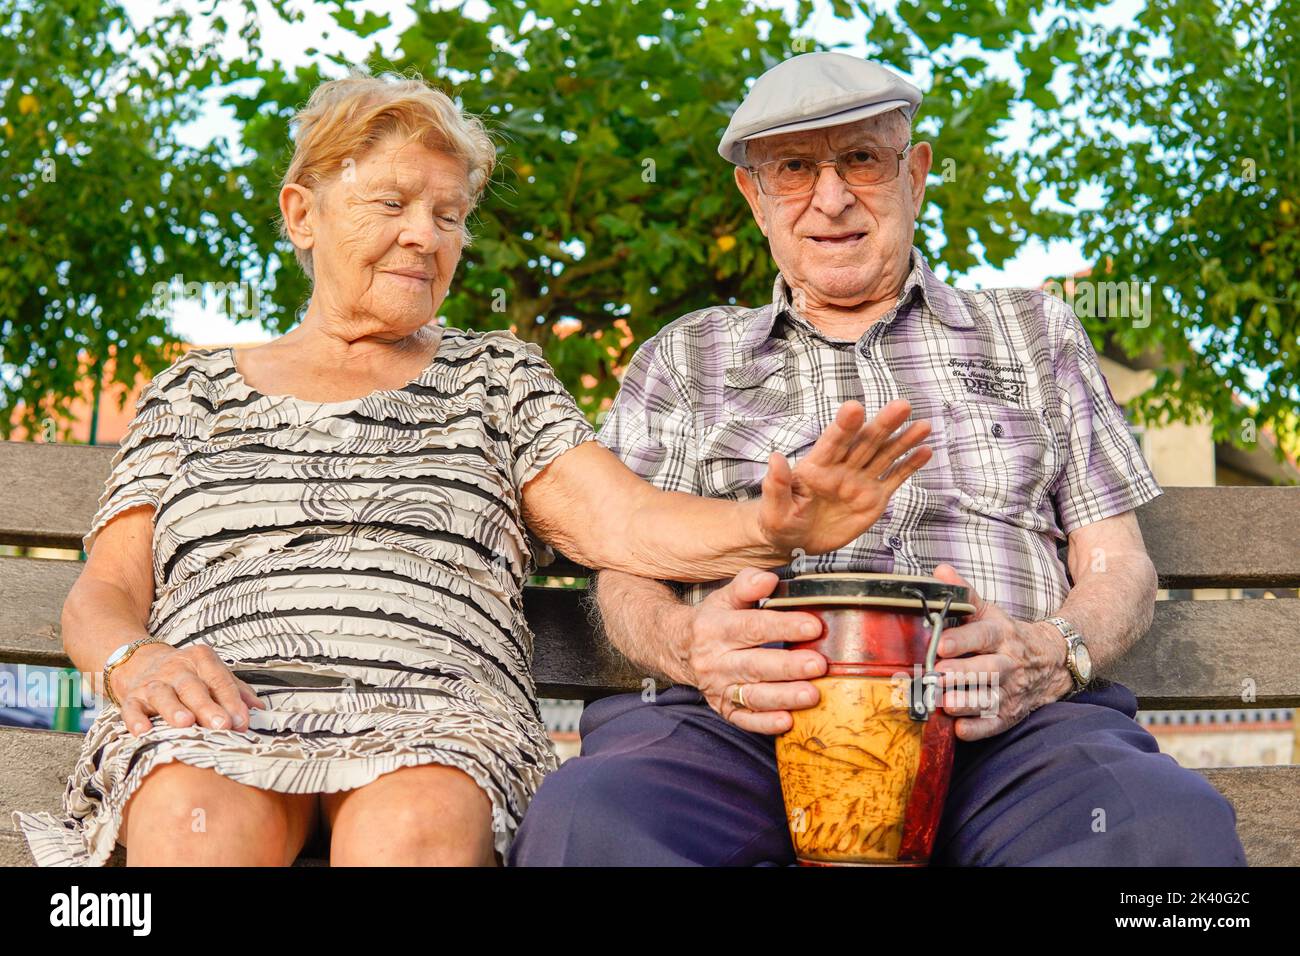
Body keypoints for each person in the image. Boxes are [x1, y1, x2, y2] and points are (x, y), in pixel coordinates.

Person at [9, 71, 931, 867]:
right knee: (188, 818)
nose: (425, 236)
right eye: (392, 204)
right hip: (222, 704)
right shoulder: (192, 389)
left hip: (435, 718)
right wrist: (135, 661)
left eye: (449, 215)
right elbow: (105, 591)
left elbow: (624, 522)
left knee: (415, 823)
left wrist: (770, 530)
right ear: (303, 211)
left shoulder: (497, 377)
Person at [509, 52, 1247, 866]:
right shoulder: (686, 358)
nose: (831, 199)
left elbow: (1120, 564)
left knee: (1164, 831)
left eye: (861, 158)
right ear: (754, 198)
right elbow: (624, 574)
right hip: (736, 729)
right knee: (592, 822)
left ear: (916, 173)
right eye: (793, 169)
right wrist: (690, 646)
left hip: (1005, 728)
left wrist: (1051, 652)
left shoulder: (1037, 333)